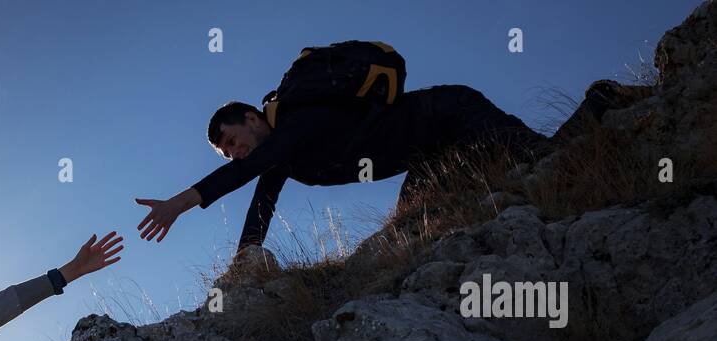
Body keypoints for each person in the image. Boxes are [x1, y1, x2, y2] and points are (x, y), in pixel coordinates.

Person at [135, 46, 549, 254]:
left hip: (453, 112)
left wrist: (179, 203)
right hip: (436, 155)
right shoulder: (284, 152)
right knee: (412, 234)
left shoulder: (298, 114)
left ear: (252, 118)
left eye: (232, 142)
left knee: (547, 161)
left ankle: (602, 104)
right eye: (227, 154)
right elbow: (262, 201)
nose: (235, 153)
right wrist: (246, 259)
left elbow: (252, 168)